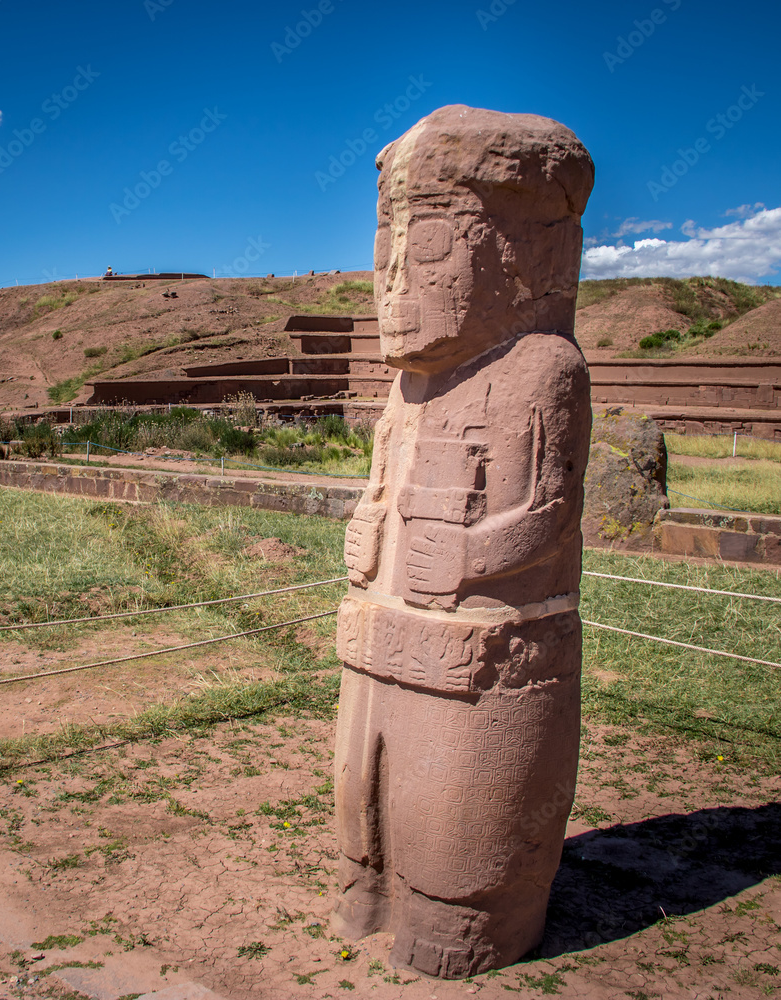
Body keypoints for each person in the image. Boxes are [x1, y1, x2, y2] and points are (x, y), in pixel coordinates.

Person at [332, 105, 595, 978]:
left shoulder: (542, 372)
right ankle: (367, 881)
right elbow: (381, 487)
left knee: (455, 826)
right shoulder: (405, 394)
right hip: (382, 640)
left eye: (433, 248)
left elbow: (552, 511)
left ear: (522, 251)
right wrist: (368, 522)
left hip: (484, 656)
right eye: (386, 252)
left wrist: (476, 556)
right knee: (360, 800)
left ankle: (468, 914)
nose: (397, 282)